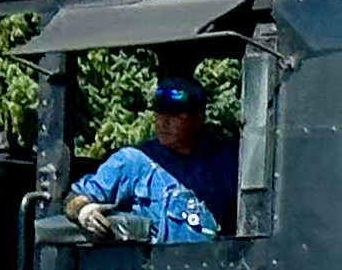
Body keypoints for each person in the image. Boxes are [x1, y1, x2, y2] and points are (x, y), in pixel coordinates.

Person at [65, 72, 239, 244]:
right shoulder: (132, 161)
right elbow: (75, 198)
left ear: (198, 119)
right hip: (153, 267)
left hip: (215, 264)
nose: (163, 122)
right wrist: (83, 210)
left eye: (175, 115)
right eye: (159, 113)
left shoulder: (225, 159)